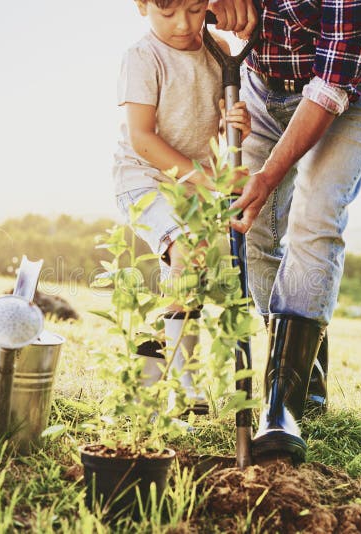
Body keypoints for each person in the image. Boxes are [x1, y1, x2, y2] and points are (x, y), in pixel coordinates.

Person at [208, 0, 361, 464]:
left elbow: (332, 85)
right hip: (259, 78)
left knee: (316, 217)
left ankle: (281, 407)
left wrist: (269, 175)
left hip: (350, 86)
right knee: (252, 232)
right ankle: (303, 368)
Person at [113, 0, 252, 414]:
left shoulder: (220, 52)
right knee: (188, 254)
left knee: (188, 278)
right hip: (145, 180)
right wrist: (206, 180)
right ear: (142, 7)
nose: (182, 25)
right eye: (168, 13)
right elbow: (142, 138)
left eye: (194, 10)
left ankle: (147, 388)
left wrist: (233, 124)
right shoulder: (142, 58)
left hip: (193, 188)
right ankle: (186, 383)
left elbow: (219, 124)